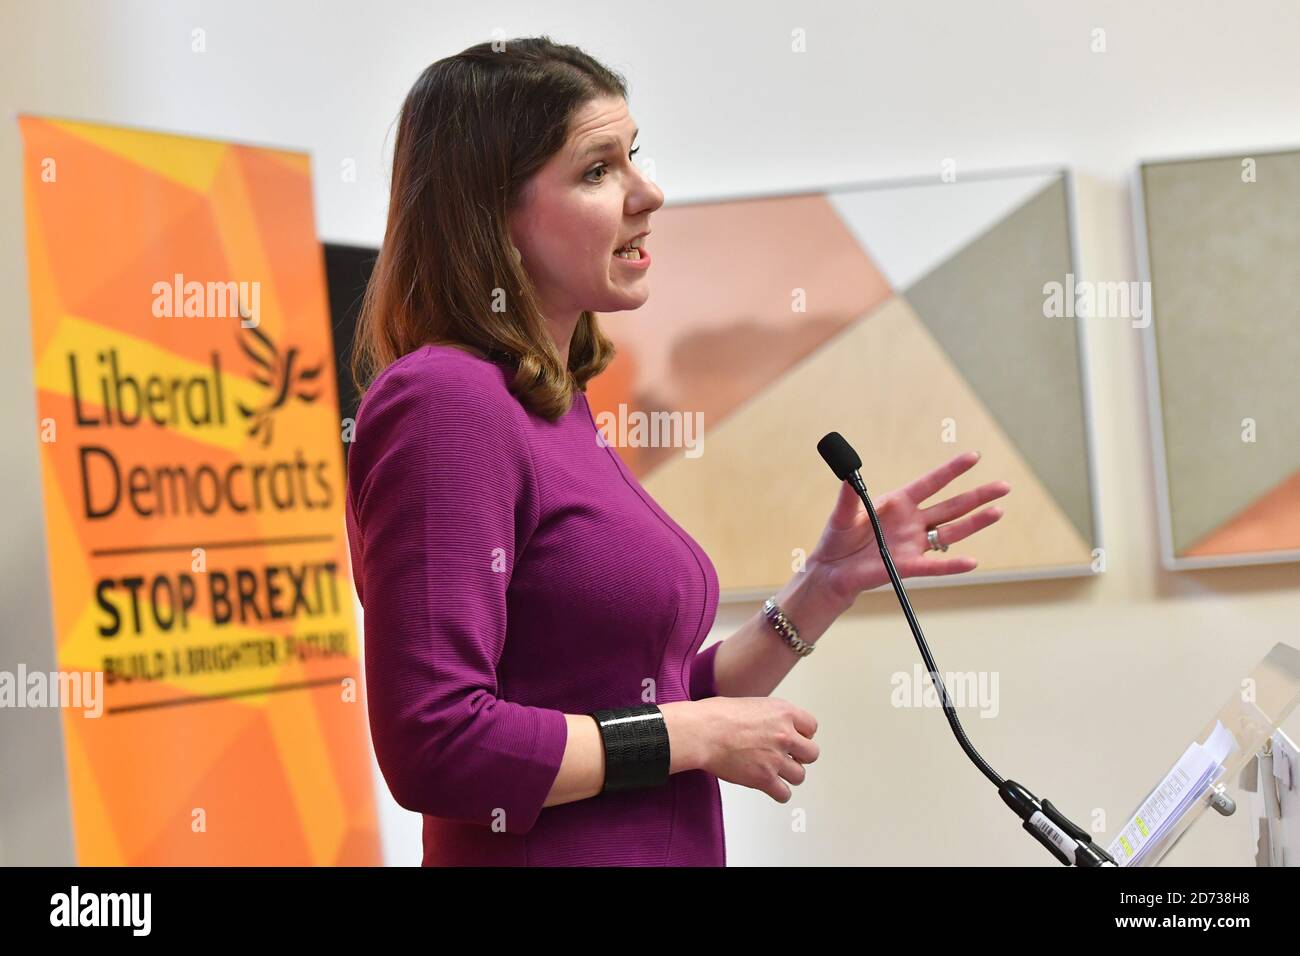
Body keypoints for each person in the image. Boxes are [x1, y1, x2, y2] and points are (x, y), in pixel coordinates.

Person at [345, 35, 1011, 866]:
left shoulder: (550, 404)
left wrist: (821, 587)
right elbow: (435, 744)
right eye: (596, 171)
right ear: (492, 215)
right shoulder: (446, 402)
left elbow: (643, 703)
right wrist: (692, 735)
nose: (648, 193)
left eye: (635, 157)